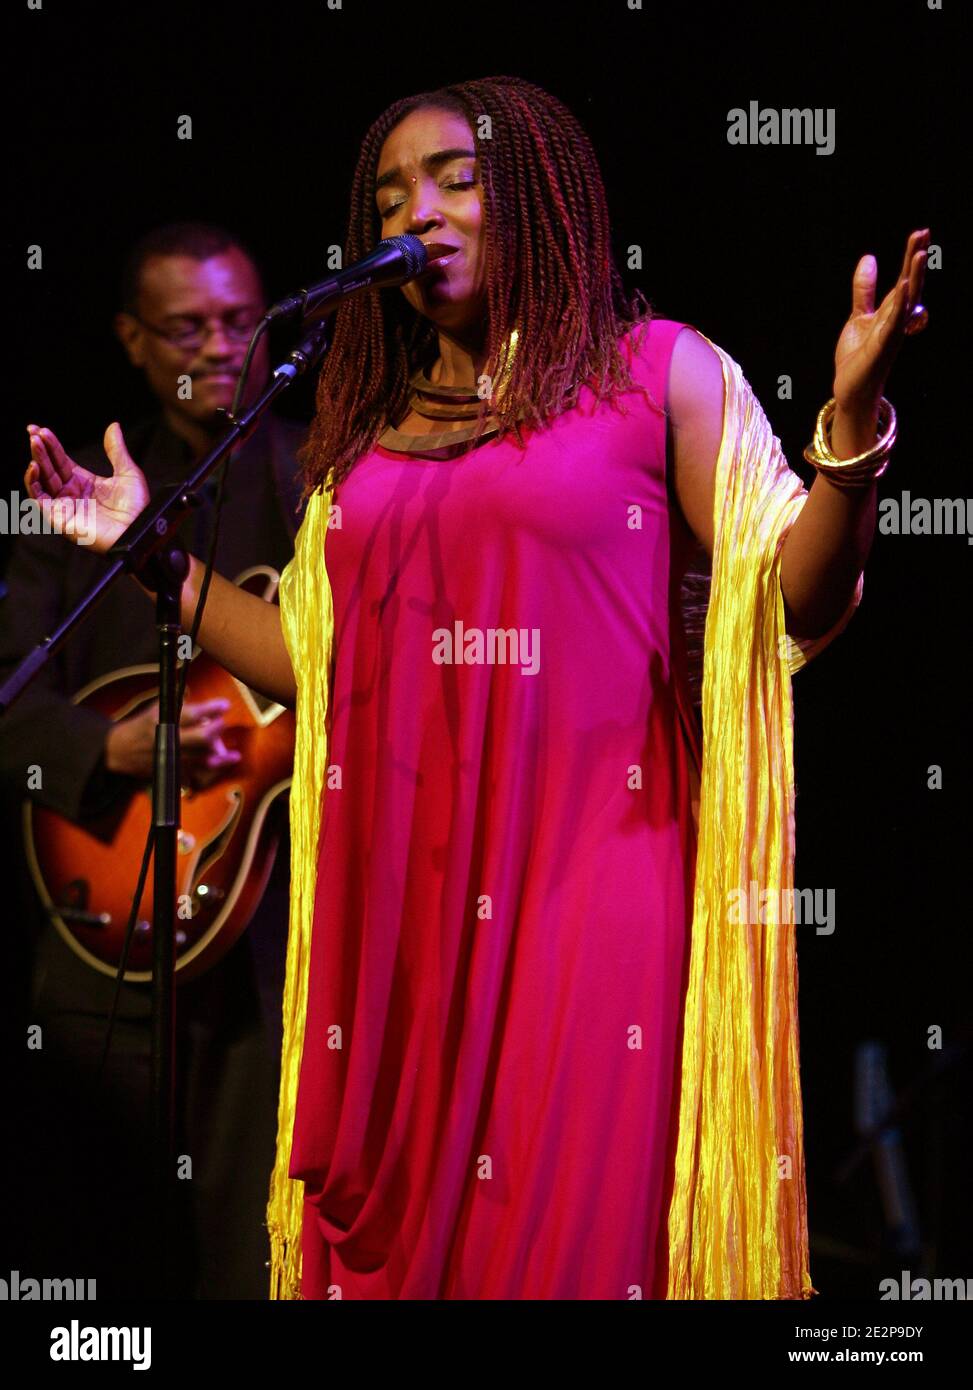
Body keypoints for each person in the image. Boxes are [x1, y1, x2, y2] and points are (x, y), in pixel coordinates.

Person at [23, 78, 930, 1301]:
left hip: (593, 888)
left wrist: (852, 430)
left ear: (540, 200)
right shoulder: (365, 433)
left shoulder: (657, 372)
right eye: (392, 193)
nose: (422, 211)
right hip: (401, 912)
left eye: (457, 178)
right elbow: (312, 662)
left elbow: (794, 606)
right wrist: (148, 549)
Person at [2, 221, 305, 1299]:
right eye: (189, 327)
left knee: (245, 1247)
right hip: (106, 910)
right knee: (97, 1241)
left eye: (240, 321)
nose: (222, 346)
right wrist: (104, 745)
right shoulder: (77, 488)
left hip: (268, 937)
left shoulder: (322, 474)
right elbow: (11, 690)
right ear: (133, 340)